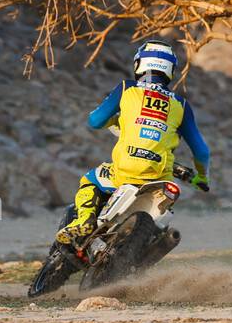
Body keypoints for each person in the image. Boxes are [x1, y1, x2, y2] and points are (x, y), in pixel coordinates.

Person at [55, 39, 210, 254]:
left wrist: (116, 119)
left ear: (139, 64)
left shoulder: (127, 88)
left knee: (90, 179)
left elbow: (95, 121)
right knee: (162, 218)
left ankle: (85, 221)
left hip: (126, 170)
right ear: (170, 70)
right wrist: (202, 176)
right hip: (161, 178)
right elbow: (201, 152)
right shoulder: (181, 105)